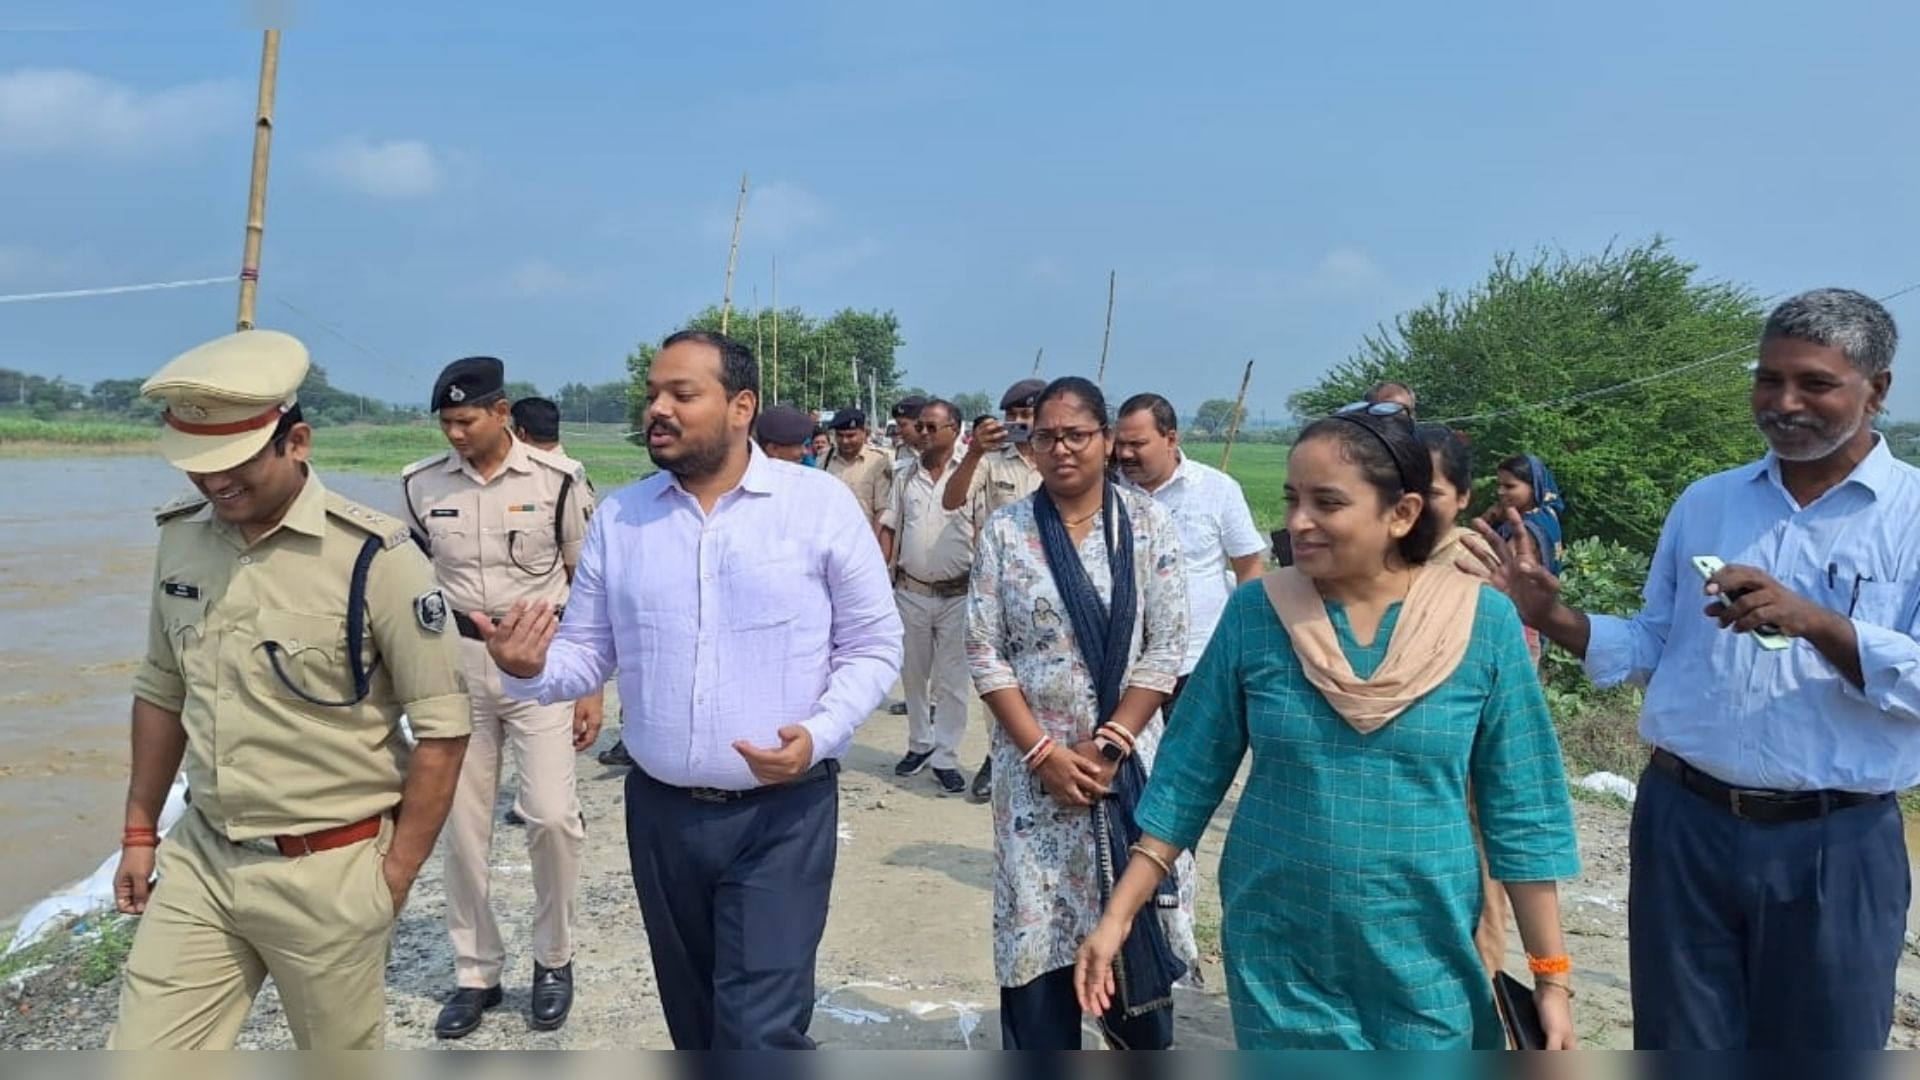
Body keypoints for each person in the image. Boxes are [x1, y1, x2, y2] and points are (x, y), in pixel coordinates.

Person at [1475, 288, 1920, 1051]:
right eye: (1767, 379)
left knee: (1826, 1050)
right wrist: (1551, 615)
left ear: (1876, 390)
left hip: (1834, 841)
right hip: (1684, 822)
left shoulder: (1910, 515)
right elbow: (1654, 641)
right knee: (1681, 1043)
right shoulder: (1708, 503)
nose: (1783, 403)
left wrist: (1816, 622)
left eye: (1814, 383)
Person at [1075, 406, 1581, 1049]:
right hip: (1281, 950)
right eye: (1292, 500)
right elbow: (1187, 779)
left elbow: (1523, 811)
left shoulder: (1481, 624)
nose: (1297, 523)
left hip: (1428, 952)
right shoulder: (1259, 613)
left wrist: (1552, 982)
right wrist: (1118, 916)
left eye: (1327, 502)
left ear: (1401, 514)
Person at [480, 330, 903, 1049]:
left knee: (757, 1029)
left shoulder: (817, 507)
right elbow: (587, 654)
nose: (658, 410)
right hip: (664, 818)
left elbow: (873, 645)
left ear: (742, 407)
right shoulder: (623, 517)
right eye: (652, 395)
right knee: (696, 1022)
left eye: (682, 393)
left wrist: (820, 735)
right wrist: (528, 670)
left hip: (783, 816)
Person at [109, 330, 471, 1049]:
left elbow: (443, 728)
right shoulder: (181, 540)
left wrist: (391, 880)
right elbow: (161, 691)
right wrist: (139, 832)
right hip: (203, 859)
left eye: (234, 465)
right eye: (198, 468)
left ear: (295, 440)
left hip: (330, 872)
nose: (214, 485)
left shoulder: (376, 559)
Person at [968, 376, 1196, 1050]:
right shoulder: (1007, 532)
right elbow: (984, 648)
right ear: (1030, 445)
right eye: (1046, 436)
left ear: (1104, 440)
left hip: (1125, 767)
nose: (1061, 449)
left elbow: (1167, 644)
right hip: (1033, 777)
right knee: (1038, 943)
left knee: (1132, 944)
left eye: (1077, 435)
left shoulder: (1148, 525)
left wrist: (1109, 745)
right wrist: (1042, 751)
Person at [402, 357, 598, 1038]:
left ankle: (554, 958)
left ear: (501, 412)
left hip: (541, 666)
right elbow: (416, 586)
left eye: (466, 419)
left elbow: (588, 587)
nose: (454, 432)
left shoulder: (558, 482)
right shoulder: (420, 486)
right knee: (460, 830)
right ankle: (476, 973)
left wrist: (590, 687)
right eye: (446, 422)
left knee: (549, 816)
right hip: (455, 671)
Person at [1418, 423, 1517, 984]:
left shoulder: (1475, 565)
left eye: (1430, 491)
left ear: (1462, 497)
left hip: (1463, 760)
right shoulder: (1372, 561)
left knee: (1476, 893)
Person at [1114, 392, 1267, 717]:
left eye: (1137, 444)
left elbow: (1250, 569)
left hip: (1197, 662)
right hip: (1124, 665)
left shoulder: (1217, 489)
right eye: (1120, 443)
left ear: (1170, 438)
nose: (1125, 454)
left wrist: (1244, 643)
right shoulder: (1106, 492)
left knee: (1192, 764)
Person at [946, 377, 1047, 799]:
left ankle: (1041, 752)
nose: (1020, 423)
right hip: (998, 586)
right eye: (1014, 416)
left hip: (1050, 585)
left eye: (1028, 415)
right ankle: (996, 753)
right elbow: (952, 500)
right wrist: (973, 453)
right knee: (995, 674)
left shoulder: (1059, 456)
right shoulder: (990, 460)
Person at [878, 400, 977, 795]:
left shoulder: (974, 472)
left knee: (953, 682)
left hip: (959, 593)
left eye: (932, 427)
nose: (923, 434)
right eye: (920, 427)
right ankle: (920, 743)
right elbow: (890, 524)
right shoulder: (904, 476)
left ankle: (945, 756)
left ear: (955, 429)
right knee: (914, 674)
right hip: (911, 590)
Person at [822, 406, 894, 535]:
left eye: (851, 436)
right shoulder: (823, 459)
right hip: (830, 537)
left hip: (863, 538)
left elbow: (882, 510)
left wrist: (874, 546)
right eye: (840, 436)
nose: (845, 441)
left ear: (864, 433)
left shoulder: (877, 462)